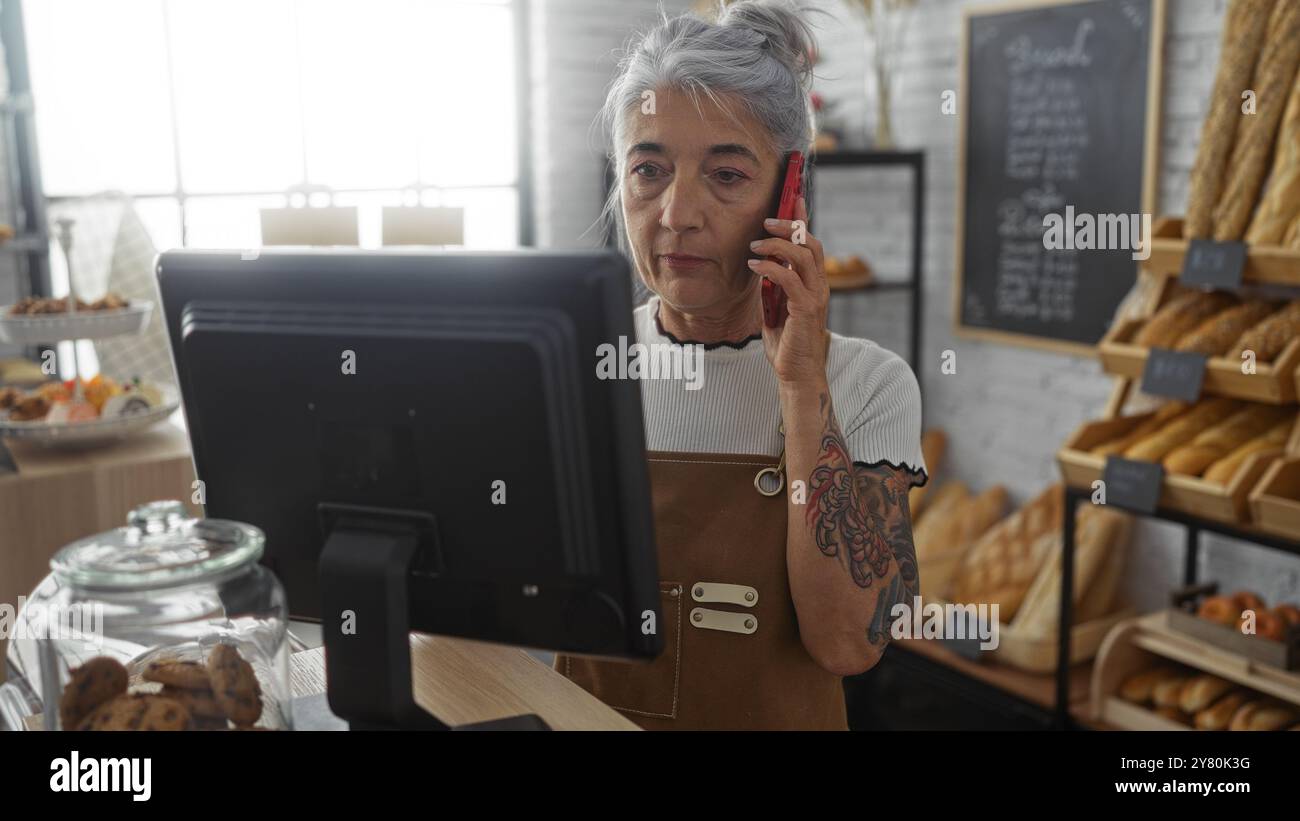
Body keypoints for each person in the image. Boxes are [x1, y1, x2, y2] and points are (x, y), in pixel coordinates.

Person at [556, 0, 927, 730]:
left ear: (789, 197)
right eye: (649, 170)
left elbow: (851, 640)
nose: (675, 214)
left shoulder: (872, 384)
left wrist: (800, 388)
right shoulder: (575, 368)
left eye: (726, 175)